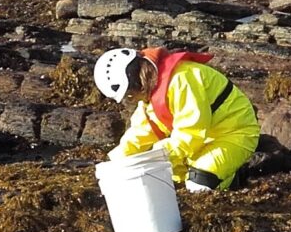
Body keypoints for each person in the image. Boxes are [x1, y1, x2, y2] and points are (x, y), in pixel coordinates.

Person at [94, 46, 259, 192]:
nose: (131, 100)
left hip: (234, 134)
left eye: (129, 95)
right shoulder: (150, 92)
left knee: (198, 186)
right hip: (203, 139)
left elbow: (191, 131)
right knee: (170, 183)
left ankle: (232, 177)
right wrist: (116, 161)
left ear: (136, 81)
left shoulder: (182, 79)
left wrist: (156, 156)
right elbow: (142, 130)